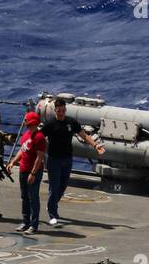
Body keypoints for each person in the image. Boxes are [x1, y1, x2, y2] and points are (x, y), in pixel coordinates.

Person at [41, 97, 106, 227]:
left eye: (63, 110)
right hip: (54, 160)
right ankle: (53, 214)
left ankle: (51, 206)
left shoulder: (71, 123)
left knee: (62, 186)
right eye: (59, 111)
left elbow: (84, 136)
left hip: (67, 159)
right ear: (55, 111)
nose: (61, 113)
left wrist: (95, 145)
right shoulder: (50, 124)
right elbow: (39, 138)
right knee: (54, 187)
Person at [7, 111, 47, 235]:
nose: (25, 124)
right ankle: (26, 221)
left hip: (33, 171)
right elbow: (22, 150)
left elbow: (39, 158)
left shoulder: (40, 138)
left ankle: (34, 225)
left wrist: (33, 173)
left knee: (33, 198)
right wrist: (13, 162)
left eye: (27, 122)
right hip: (23, 170)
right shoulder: (26, 135)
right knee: (25, 197)